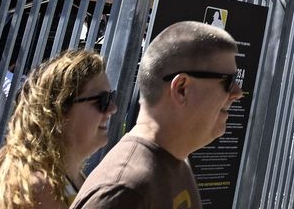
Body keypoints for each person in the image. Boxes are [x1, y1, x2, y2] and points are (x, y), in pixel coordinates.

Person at [73, 21, 244, 209]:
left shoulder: (174, 161)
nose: (237, 93)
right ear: (182, 89)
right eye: (228, 81)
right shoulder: (125, 190)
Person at [0, 50, 115, 209]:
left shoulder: (66, 176)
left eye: (111, 97)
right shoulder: (38, 188)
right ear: (59, 109)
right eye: (103, 100)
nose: (113, 108)